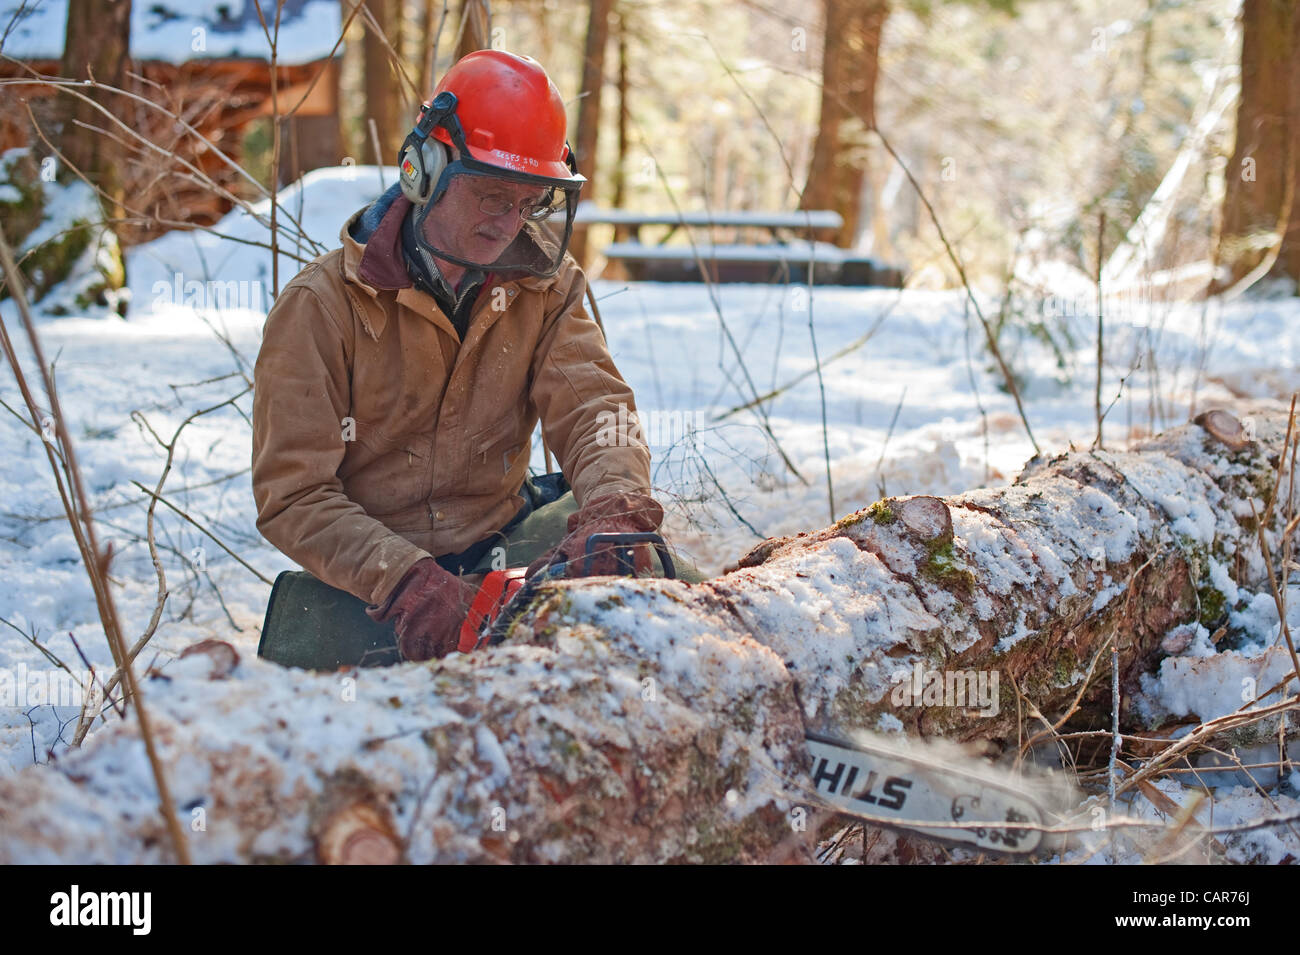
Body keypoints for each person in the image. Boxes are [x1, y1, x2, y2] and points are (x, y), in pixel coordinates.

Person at [251, 50, 697, 667]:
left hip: (505, 541)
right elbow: (293, 496)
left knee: (675, 615)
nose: (508, 223)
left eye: (528, 202)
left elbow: (597, 408)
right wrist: (405, 580)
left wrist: (614, 507)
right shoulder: (321, 307)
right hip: (369, 582)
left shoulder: (545, 285)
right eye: (491, 196)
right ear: (424, 169)